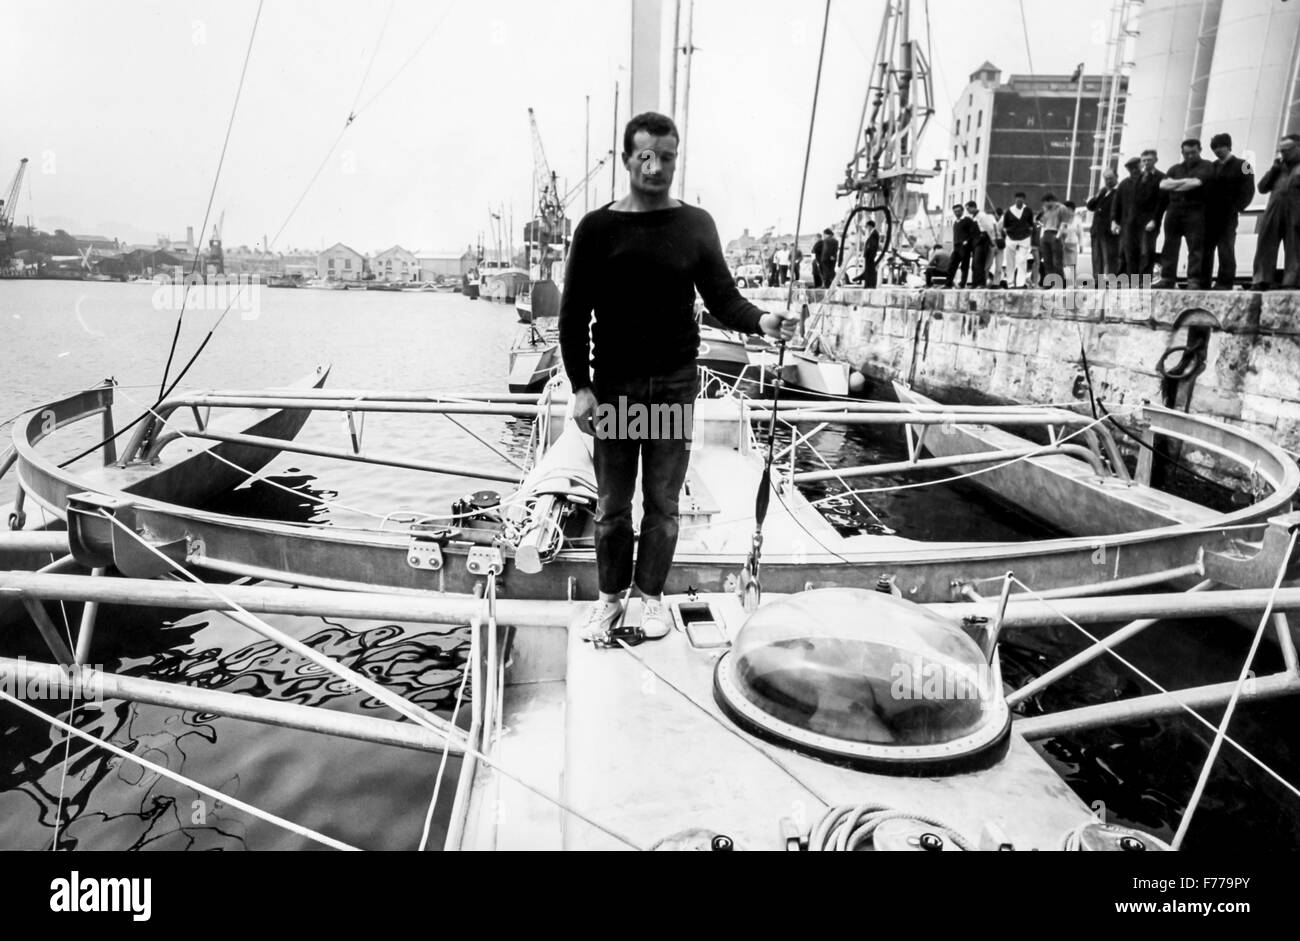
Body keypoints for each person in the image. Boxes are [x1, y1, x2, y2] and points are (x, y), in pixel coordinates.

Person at [559, 111, 798, 640]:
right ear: (626, 160)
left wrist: (762, 320)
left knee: (664, 507)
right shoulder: (597, 229)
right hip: (616, 389)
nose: (656, 166)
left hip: (672, 385)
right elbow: (572, 316)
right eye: (645, 155)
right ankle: (609, 599)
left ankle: (650, 597)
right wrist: (580, 387)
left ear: (675, 159)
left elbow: (723, 298)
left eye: (667, 156)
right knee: (612, 508)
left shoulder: (696, 225)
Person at [1155, 138, 1215, 289]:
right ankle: (1167, 278)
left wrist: (1175, 184)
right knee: (1169, 245)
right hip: (1174, 210)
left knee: (1194, 247)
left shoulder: (1207, 166)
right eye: (1187, 153)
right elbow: (1163, 185)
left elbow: (1196, 183)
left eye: (1193, 152)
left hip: (1194, 210)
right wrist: (1185, 182)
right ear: (1182, 152)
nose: (1190, 156)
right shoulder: (1175, 168)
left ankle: (1194, 280)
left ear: (1200, 150)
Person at [1201, 132, 1256, 289]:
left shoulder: (1245, 165)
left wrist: (1238, 207)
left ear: (1228, 146)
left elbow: (1249, 189)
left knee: (1226, 249)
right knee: (1206, 250)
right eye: (1214, 148)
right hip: (1210, 215)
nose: (1217, 150)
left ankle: (1225, 282)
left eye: (1220, 147)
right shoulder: (1212, 166)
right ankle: (1204, 282)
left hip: (1228, 215)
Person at [1250, 133, 1300, 291]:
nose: (1284, 153)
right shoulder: (1278, 167)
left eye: (1287, 149)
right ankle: (1262, 279)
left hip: (1296, 209)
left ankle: (1292, 280)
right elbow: (1262, 187)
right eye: (1281, 150)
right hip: (1274, 208)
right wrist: (1274, 169)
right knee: (1266, 242)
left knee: (1295, 246)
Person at [1117, 149, 1167, 277]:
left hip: (1149, 220)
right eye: (1144, 160)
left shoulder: (1161, 177)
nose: (1146, 163)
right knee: (1131, 251)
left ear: (1156, 160)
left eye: (1149, 160)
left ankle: (1144, 281)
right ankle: (1132, 280)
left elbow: (1161, 202)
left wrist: (1154, 219)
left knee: (1146, 252)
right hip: (1133, 221)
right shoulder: (1137, 178)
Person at [1109, 156, 1142, 278]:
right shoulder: (1124, 184)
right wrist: (1114, 221)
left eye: (1135, 168)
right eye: (1131, 169)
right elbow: (1116, 204)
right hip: (1126, 224)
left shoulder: (1146, 181)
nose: (1134, 171)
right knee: (1124, 253)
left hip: (1142, 225)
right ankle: (1123, 278)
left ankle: (1136, 280)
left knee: (1140, 254)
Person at [1086, 168, 1121, 280]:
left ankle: (1110, 279)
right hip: (1097, 229)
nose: (1108, 181)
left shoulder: (1119, 192)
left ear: (1116, 177)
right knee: (1096, 257)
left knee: (1109, 257)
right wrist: (1098, 194)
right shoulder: (1103, 192)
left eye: (1110, 178)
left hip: (1108, 230)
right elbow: (1090, 206)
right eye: (1106, 179)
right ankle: (1098, 279)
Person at [1002, 193, 1034, 287]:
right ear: (1015, 199)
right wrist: (1008, 236)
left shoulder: (1028, 210)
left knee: (1022, 260)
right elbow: (1005, 226)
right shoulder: (1009, 211)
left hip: (1024, 238)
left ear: (1024, 200)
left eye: (1021, 199)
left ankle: (1020, 283)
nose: (1019, 200)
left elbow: (1031, 225)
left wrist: (1028, 234)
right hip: (1011, 238)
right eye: (1017, 199)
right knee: (1010, 261)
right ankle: (1010, 283)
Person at [1038, 193, 1070, 285]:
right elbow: (1041, 223)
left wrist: (1058, 236)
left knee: (1057, 261)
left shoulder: (1062, 208)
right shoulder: (1046, 210)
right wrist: (1037, 222)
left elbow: (1064, 223)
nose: (1044, 205)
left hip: (1055, 234)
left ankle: (1060, 281)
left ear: (1051, 200)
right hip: (1045, 234)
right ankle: (1050, 281)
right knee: (1047, 261)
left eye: (1045, 203)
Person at [967, 200, 996, 288]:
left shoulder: (982, 216)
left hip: (982, 241)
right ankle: (975, 283)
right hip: (976, 241)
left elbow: (990, 228)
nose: (968, 211)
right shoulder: (974, 217)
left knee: (979, 263)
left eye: (968, 208)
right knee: (974, 264)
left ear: (973, 207)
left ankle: (980, 283)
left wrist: (993, 241)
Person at [946, 205, 976, 287]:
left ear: (962, 211)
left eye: (958, 211)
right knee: (951, 265)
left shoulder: (967, 220)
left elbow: (973, 232)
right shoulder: (955, 222)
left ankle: (962, 283)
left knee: (964, 266)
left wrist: (967, 241)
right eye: (955, 211)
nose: (957, 213)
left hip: (964, 247)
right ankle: (948, 283)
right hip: (956, 247)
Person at [859, 220, 880, 287]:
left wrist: (868, 252)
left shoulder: (874, 234)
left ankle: (870, 284)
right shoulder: (872, 233)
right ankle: (868, 283)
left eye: (867, 226)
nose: (866, 228)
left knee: (870, 270)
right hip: (869, 255)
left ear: (870, 226)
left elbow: (872, 245)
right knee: (869, 270)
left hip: (870, 255)